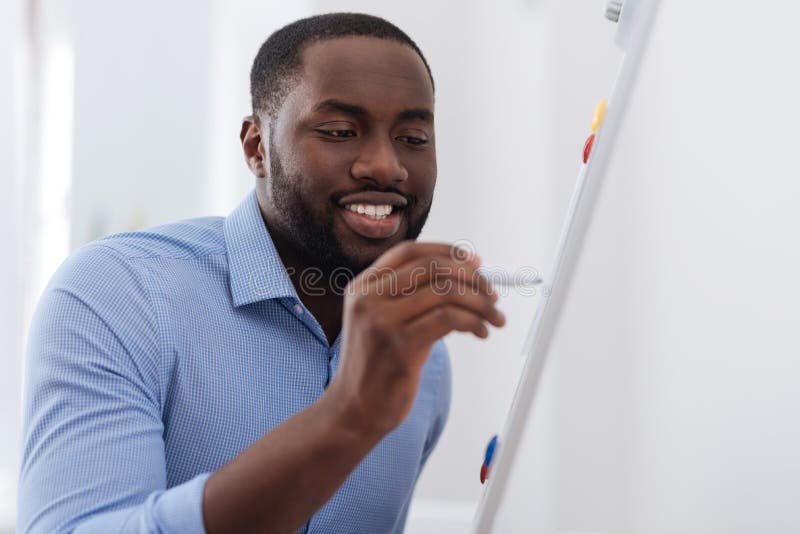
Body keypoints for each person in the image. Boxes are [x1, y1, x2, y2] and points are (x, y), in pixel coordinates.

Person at [18, 13, 505, 533]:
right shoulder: (118, 295)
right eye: (340, 131)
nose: (387, 166)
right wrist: (347, 416)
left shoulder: (423, 361)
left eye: (413, 137)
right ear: (257, 147)